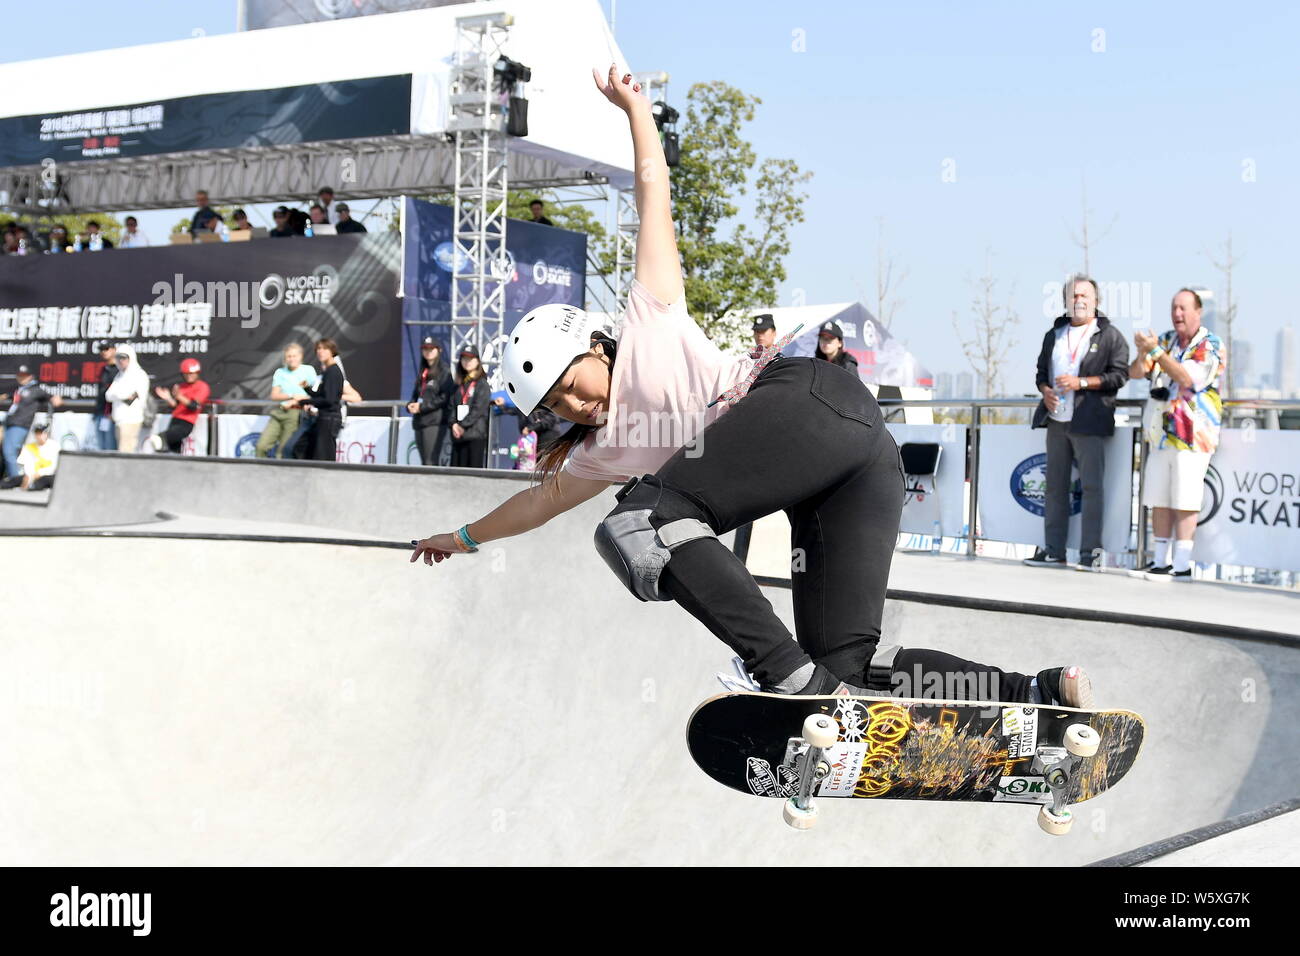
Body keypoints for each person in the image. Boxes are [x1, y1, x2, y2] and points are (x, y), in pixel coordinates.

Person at [408, 65, 1093, 709]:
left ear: (595, 344)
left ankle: (787, 679)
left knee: (638, 520)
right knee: (847, 659)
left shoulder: (648, 318)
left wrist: (636, 111)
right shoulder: (602, 452)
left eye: (573, 383)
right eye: (556, 407)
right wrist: (460, 537)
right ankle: (1031, 693)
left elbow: (653, 193)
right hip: (848, 477)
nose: (576, 404)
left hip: (814, 402)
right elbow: (538, 507)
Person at [1024, 276, 1131, 570]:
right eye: (1073, 296)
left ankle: (1090, 554)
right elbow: (1040, 373)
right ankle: (1053, 551)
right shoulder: (1054, 334)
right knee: (1054, 488)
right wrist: (1045, 390)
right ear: (1065, 302)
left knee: (1093, 488)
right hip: (1057, 420)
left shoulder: (1109, 335)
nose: (1079, 300)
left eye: (1085, 295)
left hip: (1089, 421)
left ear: (1096, 301)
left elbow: (1119, 376)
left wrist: (1080, 382)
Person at [1130, 289, 1225, 582]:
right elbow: (1135, 373)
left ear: (1198, 311)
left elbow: (1187, 378)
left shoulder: (1211, 344)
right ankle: (1159, 561)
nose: (1177, 314)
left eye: (1183, 308)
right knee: (1159, 495)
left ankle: (1181, 566)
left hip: (1194, 435)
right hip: (1161, 432)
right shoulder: (1167, 340)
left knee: (1185, 497)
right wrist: (1143, 351)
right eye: (1174, 308)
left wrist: (1156, 352)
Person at [1, 365, 64, 485]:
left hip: (20, 424)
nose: (21, 377)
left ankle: (16, 480)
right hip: (9, 421)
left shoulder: (36, 390)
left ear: (30, 376)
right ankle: (14, 478)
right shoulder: (18, 389)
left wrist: (56, 399)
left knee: (10, 452)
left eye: (24, 375)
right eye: (19, 375)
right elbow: (8, 398)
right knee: (9, 452)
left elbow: (51, 398)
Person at [256, 344, 319, 458]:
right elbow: (274, 395)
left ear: (300, 356)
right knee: (261, 446)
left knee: (282, 451)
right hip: (279, 412)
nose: (291, 359)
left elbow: (316, 395)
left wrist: (297, 401)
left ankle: (280, 475)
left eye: (294, 356)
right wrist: (292, 396)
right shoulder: (280, 372)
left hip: (296, 414)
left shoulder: (308, 370)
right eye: (289, 356)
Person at [292, 339, 345, 461]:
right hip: (323, 418)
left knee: (323, 458)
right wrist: (307, 389)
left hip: (329, 419)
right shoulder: (328, 371)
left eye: (324, 349)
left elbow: (329, 400)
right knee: (301, 448)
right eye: (318, 349)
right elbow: (322, 395)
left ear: (332, 351)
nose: (320, 352)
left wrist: (303, 401)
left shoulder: (333, 371)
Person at [407, 337, 454, 466]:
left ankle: (432, 486)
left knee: (430, 461)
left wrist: (422, 407)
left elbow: (444, 397)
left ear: (439, 350)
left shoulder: (444, 372)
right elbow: (416, 394)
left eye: (431, 349)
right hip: (419, 421)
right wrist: (410, 405)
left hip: (434, 422)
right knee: (424, 461)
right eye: (425, 349)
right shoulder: (423, 371)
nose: (428, 352)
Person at [149, 358, 210, 454]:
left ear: (197, 373)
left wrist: (179, 396)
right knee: (173, 449)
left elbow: (194, 406)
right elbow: (176, 406)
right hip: (175, 419)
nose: (189, 376)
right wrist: (168, 398)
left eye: (191, 373)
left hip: (186, 422)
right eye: (186, 374)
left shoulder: (202, 386)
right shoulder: (182, 386)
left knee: (160, 438)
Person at [449, 345, 491, 468]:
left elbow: (478, 409)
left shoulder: (482, 384)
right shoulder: (458, 384)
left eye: (470, 359)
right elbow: (451, 406)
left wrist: (462, 426)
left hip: (474, 435)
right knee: (456, 473)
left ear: (478, 361)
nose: (467, 362)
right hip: (458, 436)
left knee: (473, 475)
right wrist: (453, 424)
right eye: (464, 359)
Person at [104, 344, 150, 452]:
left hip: (131, 420)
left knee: (126, 452)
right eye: (118, 357)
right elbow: (108, 395)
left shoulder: (139, 375)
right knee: (121, 451)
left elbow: (132, 397)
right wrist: (121, 395)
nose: (120, 361)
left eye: (123, 357)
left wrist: (118, 395)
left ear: (131, 358)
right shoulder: (119, 376)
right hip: (119, 420)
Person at [91, 341, 119, 450]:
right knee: (101, 448)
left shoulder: (119, 370)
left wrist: (113, 412)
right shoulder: (104, 369)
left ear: (114, 350)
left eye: (106, 348)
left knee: (110, 448)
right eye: (101, 349)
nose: (103, 352)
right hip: (101, 412)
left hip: (111, 414)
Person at [15, 422, 59, 490]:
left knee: (46, 480)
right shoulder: (29, 447)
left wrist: (39, 474)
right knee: (12, 480)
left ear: (46, 434)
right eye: (37, 433)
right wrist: (29, 475)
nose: (39, 436)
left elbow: (54, 466)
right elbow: (24, 464)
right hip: (31, 475)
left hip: (46, 475)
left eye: (41, 433)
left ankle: (31, 486)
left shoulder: (55, 446)